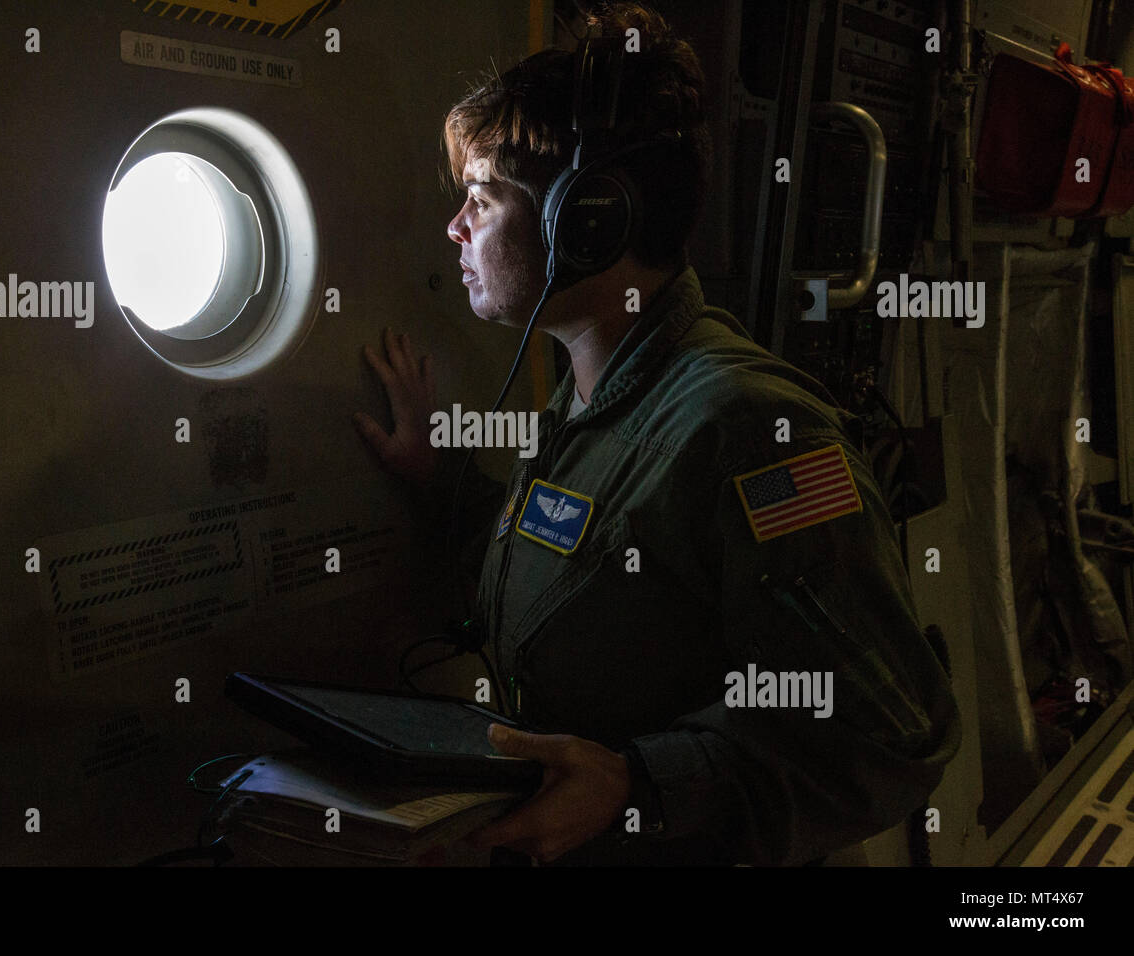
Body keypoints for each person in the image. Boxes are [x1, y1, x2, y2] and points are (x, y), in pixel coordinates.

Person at [352, 2, 960, 866]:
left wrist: (637, 785)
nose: (456, 227)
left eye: (482, 198)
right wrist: (436, 478)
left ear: (588, 221)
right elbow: (580, 577)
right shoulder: (593, 404)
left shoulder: (754, 433)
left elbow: (890, 731)